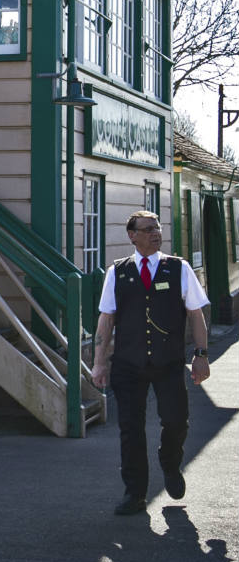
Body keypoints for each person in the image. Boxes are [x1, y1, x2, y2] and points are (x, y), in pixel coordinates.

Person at [92, 211, 210, 516]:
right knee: (130, 429)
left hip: (168, 361)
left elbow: (196, 314)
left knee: (175, 420)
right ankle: (135, 493)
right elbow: (106, 320)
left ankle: (170, 463)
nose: (155, 234)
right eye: (148, 229)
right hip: (128, 364)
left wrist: (201, 355)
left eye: (157, 228)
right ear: (132, 235)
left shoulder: (178, 268)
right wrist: (99, 363)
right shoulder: (117, 272)